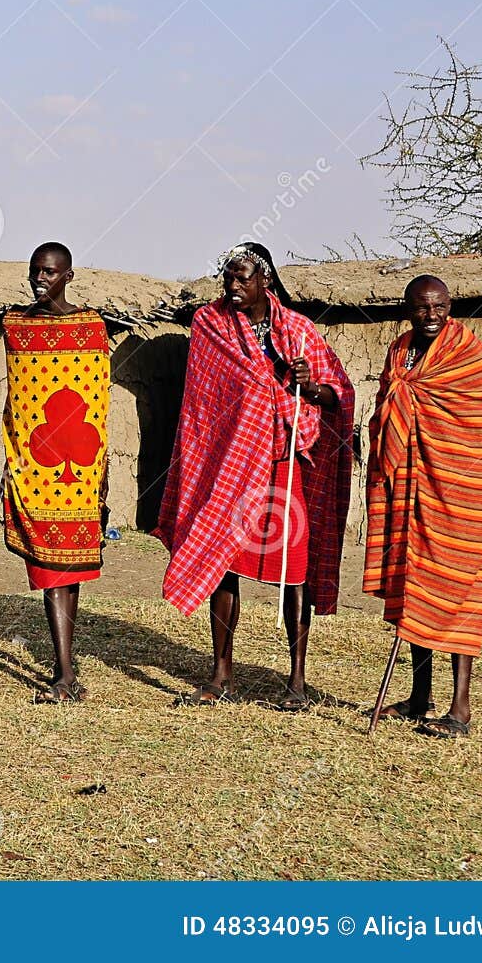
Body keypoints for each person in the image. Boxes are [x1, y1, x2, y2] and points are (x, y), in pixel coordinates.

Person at [157, 242, 355, 709]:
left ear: (266, 279)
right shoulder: (211, 325)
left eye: (244, 277)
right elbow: (206, 401)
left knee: (296, 570)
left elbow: (339, 396)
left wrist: (310, 387)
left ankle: (297, 681)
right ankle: (221, 673)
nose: (234, 285)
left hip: (283, 464)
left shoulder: (301, 333)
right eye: (228, 276)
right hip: (229, 462)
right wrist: (267, 391)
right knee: (224, 563)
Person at [364, 275, 482, 739]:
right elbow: (389, 404)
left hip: (455, 494)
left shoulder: (465, 352)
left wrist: (448, 454)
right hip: (409, 491)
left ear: (450, 306)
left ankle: (460, 709)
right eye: (423, 307)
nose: (432, 315)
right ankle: (419, 695)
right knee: (413, 589)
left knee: (459, 593)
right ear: (407, 308)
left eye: (441, 306)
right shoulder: (400, 350)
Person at [2, 243, 111, 702]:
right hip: (34, 469)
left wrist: (102, 470)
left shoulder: (92, 327)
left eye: (48, 272)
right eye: (34, 272)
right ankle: (64, 672)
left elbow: (98, 406)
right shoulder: (14, 327)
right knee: (48, 572)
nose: (39, 279)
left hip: (81, 471)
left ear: (68, 275)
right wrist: (11, 451)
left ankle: (65, 669)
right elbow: (18, 400)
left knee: (69, 574)